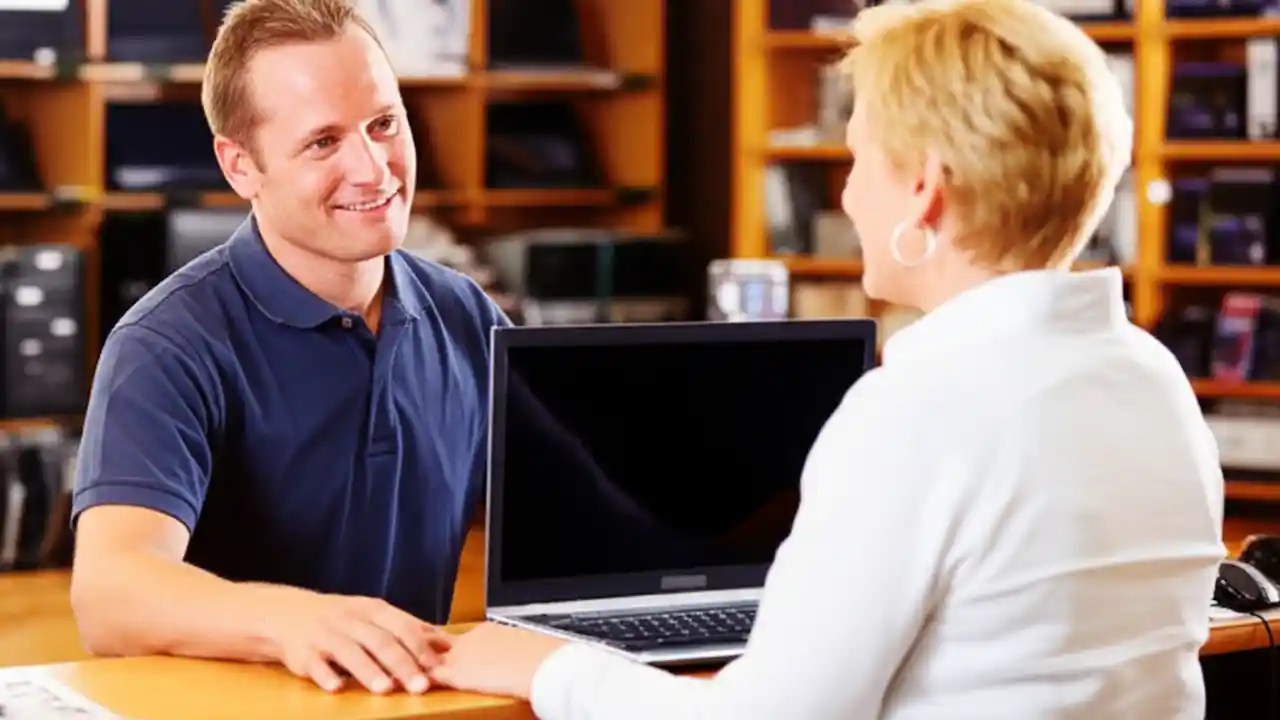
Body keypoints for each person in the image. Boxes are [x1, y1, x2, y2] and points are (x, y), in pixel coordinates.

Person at [426, 0, 1227, 717]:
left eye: (856, 160)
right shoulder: (1152, 377)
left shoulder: (920, 408)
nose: (846, 196)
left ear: (925, 189)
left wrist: (550, 668)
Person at [68, 0, 507, 697]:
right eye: (323, 142)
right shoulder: (165, 345)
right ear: (241, 166)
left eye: (384, 124)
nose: (374, 168)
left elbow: (572, 517)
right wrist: (294, 620)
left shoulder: (464, 315)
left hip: (402, 707)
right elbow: (110, 594)